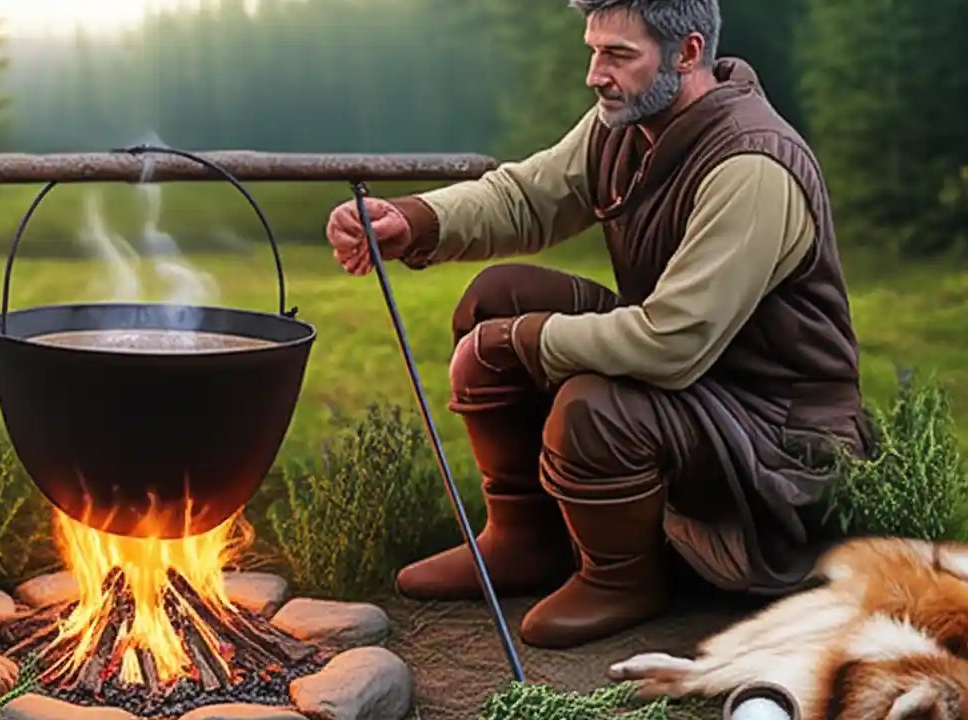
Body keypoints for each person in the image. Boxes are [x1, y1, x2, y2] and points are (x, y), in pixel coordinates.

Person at [324, 0, 870, 650]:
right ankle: (525, 540)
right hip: (699, 386)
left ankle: (623, 579)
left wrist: (525, 341)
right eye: (594, 50)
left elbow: (672, 343)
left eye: (617, 55)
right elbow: (527, 196)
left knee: (592, 408)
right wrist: (414, 221)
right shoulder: (626, 122)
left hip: (774, 436)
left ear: (687, 54)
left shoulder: (752, 166)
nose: (595, 73)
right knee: (497, 298)